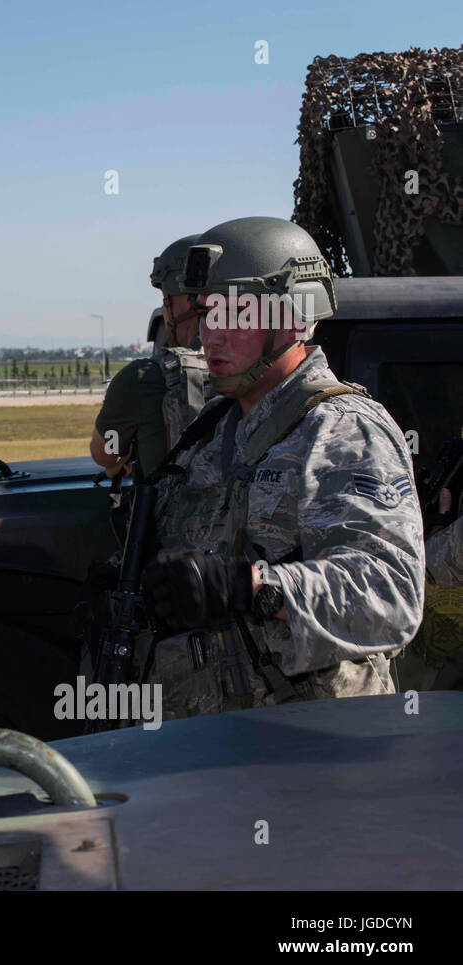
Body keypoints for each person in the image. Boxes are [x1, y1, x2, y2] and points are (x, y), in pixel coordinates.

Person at [138, 216, 424, 720]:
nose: (210, 335)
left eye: (235, 315)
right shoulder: (210, 431)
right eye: (207, 313)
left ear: (291, 318)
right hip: (214, 737)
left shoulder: (341, 431)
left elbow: (391, 594)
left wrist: (254, 588)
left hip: (309, 743)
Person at [90, 235, 210, 480]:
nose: (164, 310)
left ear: (188, 301)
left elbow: (106, 452)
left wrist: (118, 459)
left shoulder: (144, 379)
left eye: (165, 299)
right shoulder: (267, 366)